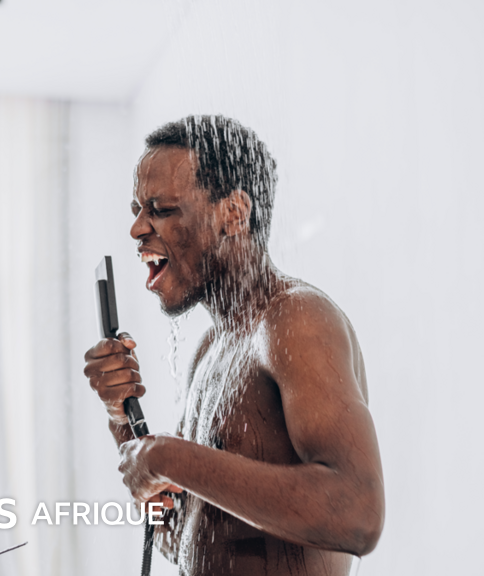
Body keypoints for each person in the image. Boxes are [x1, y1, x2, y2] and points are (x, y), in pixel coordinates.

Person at [83, 115, 384, 575]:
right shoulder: (210, 350)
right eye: (137, 211)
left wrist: (168, 456)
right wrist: (121, 417)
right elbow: (181, 539)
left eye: (160, 209)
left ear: (233, 214)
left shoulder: (296, 319)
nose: (137, 229)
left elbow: (357, 515)